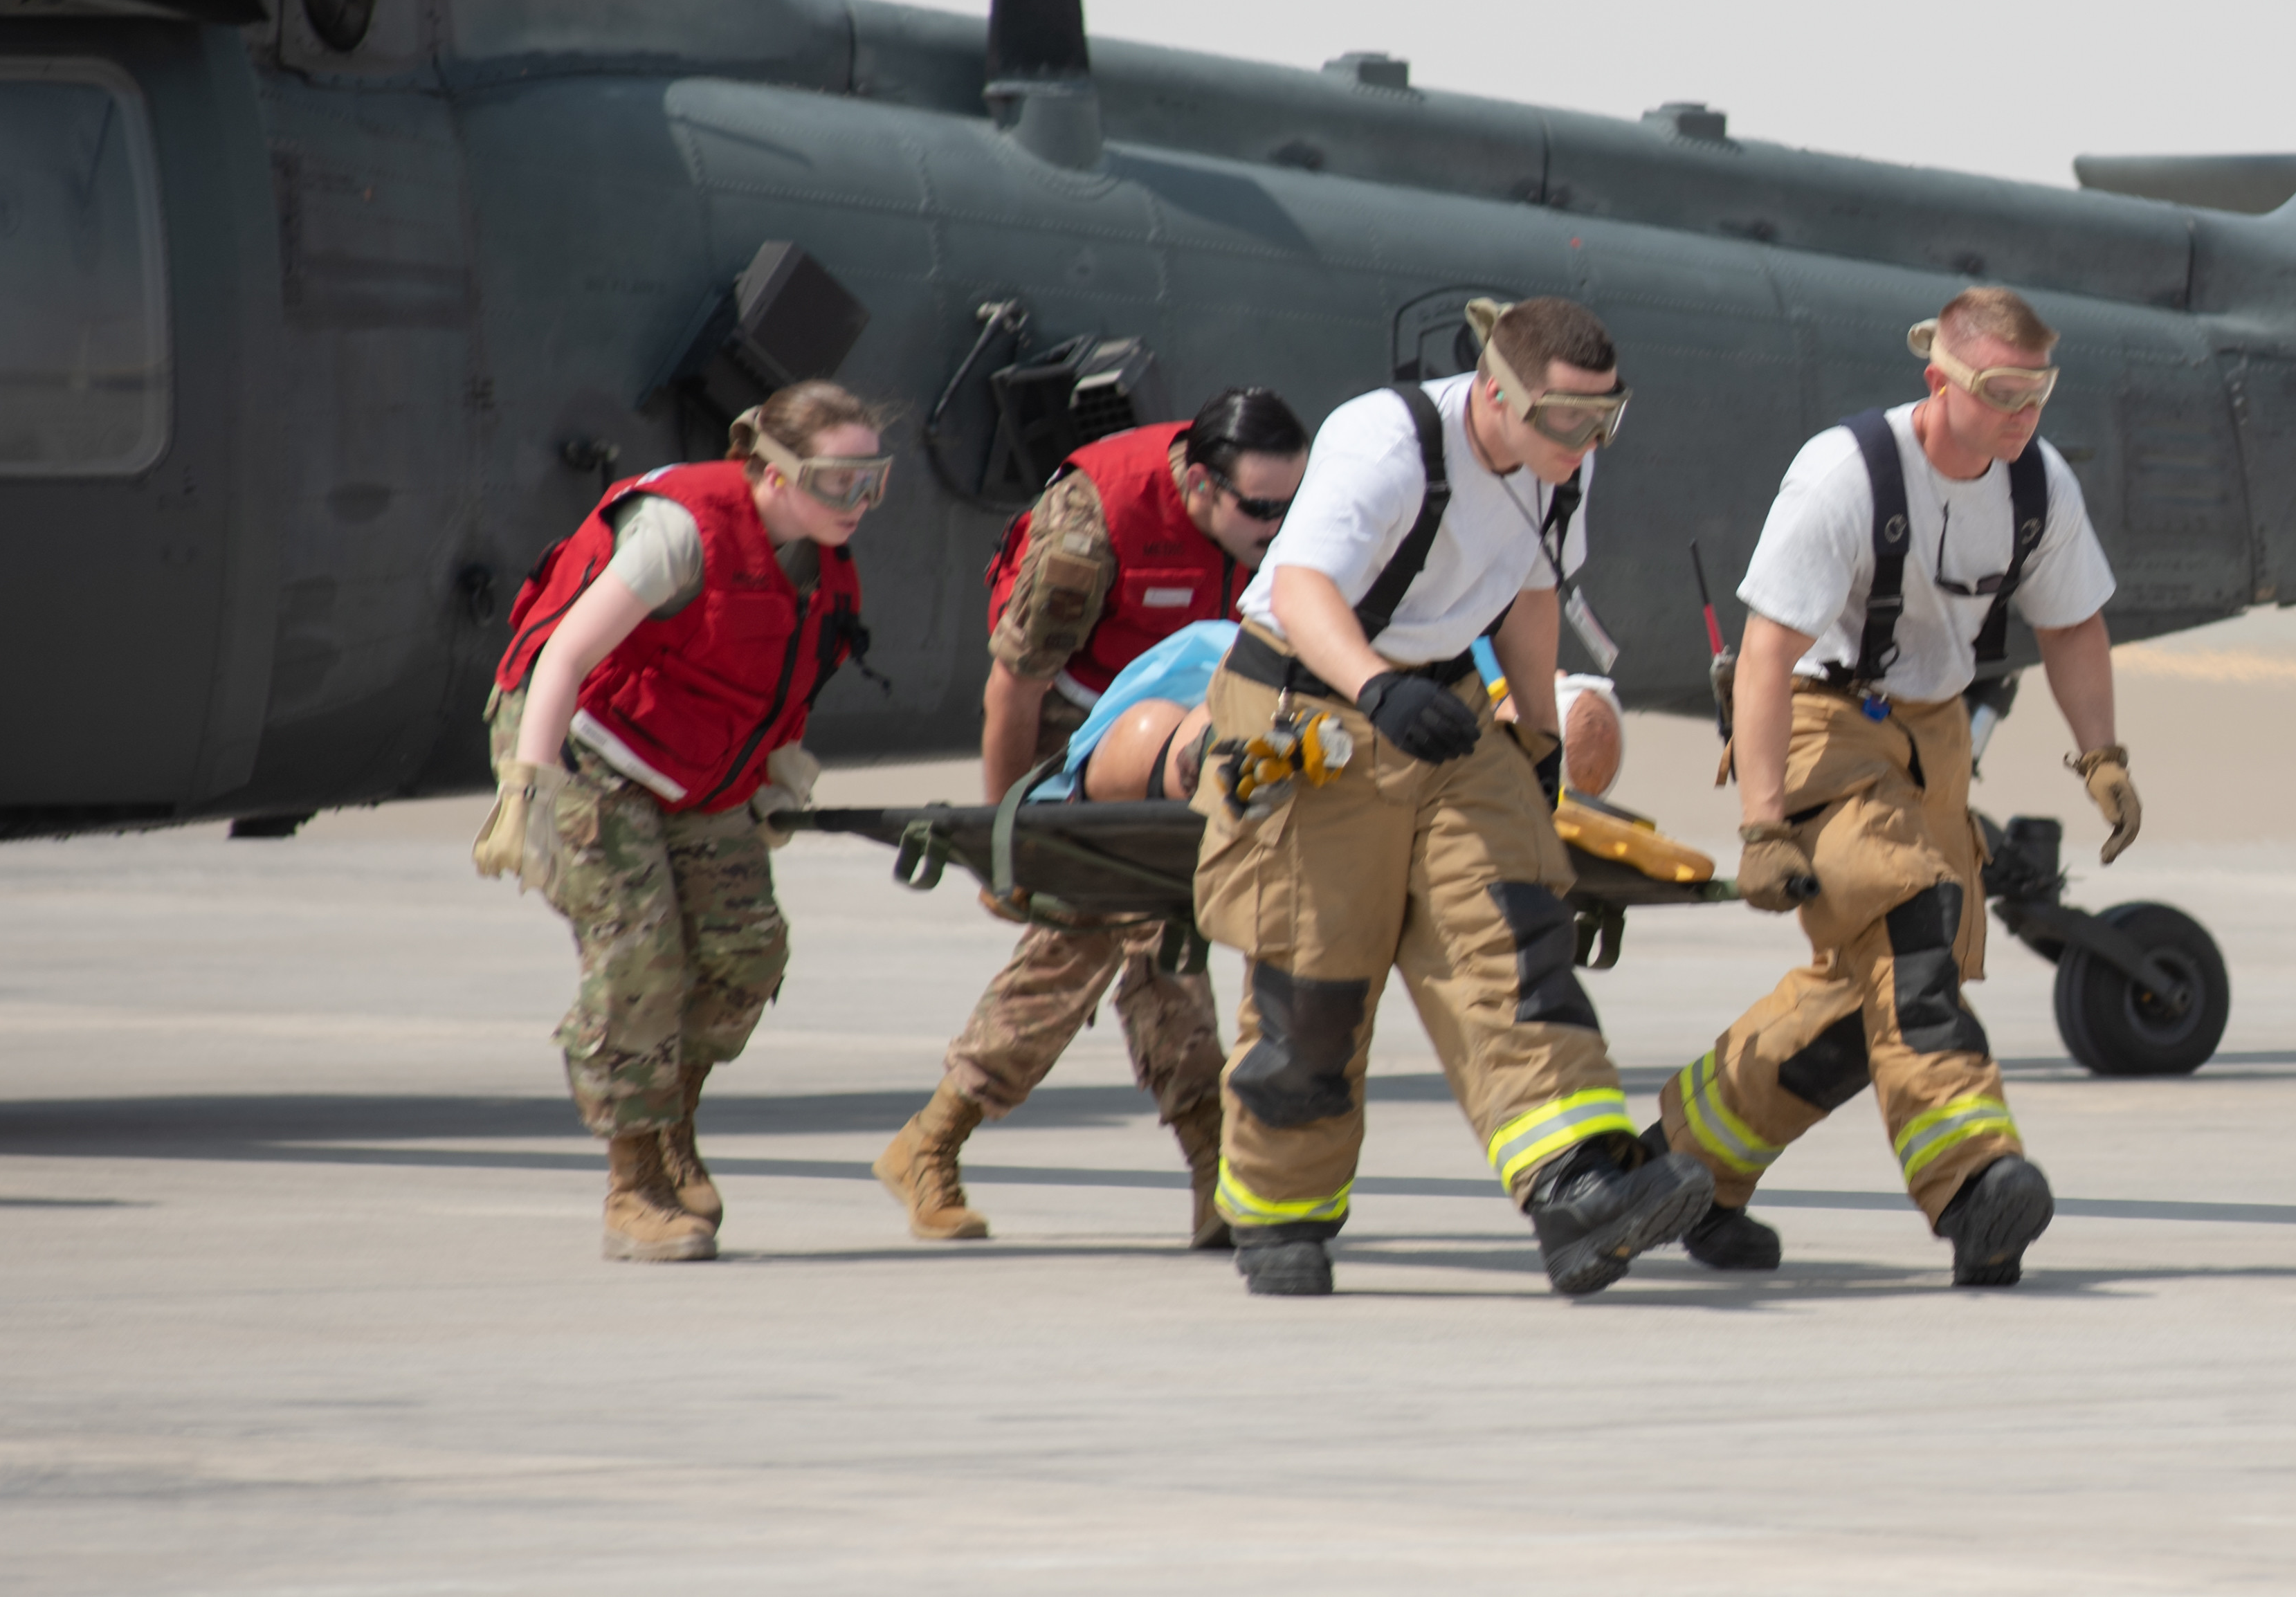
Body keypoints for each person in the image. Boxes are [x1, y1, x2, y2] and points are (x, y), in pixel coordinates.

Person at [1190, 295, 1713, 1297]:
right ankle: (1278, 1211)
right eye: (1566, 418)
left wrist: (1541, 739)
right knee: (1315, 983)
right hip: (1311, 706)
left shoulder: (1563, 459)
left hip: (1447, 706)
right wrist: (1375, 689)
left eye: (1604, 418)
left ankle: (1576, 1187)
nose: (1585, 440)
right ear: (1495, 392)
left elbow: (1529, 589)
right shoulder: (1384, 443)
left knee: (1513, 938)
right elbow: (1301, 590)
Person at [1659, 286, 2138, 1286]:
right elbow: (1763, 656)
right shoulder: (1845, 475)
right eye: (2001, 391)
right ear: (1940, 380)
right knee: (1915, 938)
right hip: (1815, 716)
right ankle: (1976, 1187)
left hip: (1932, 732)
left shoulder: (2036, 484)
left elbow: (2071, 625)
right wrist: (1762, 824)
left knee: (1867, 996)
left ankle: (1681, 1171)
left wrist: (2101, 755)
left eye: (2038, 393)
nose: (2022, 413)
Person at [872, 390, 1308, 1251]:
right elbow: (1014, 689)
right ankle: (1205, 1169)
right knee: (1110, 933)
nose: (1280, 526)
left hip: (1202, 733)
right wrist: (1010, 837)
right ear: (1199, 483)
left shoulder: (1277, 520)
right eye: (1261, 509)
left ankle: (936, 1142)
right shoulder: (1091, 526)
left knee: (1147, 940)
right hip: (1079, 732)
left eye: (1293, 505)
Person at [468, 381, 887, 1263]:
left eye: (871, 480)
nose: (858, 500)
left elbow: (773, 674)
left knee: (747, 952)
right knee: (639, 956)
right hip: (579, 742)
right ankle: (634, 1188)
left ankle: (671, 1125)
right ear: (773, 472)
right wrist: (526, 791)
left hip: (693, 767)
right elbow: (563, 656)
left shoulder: (818, 557)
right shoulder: (680, 530)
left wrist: (775, 771)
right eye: (838, 479)